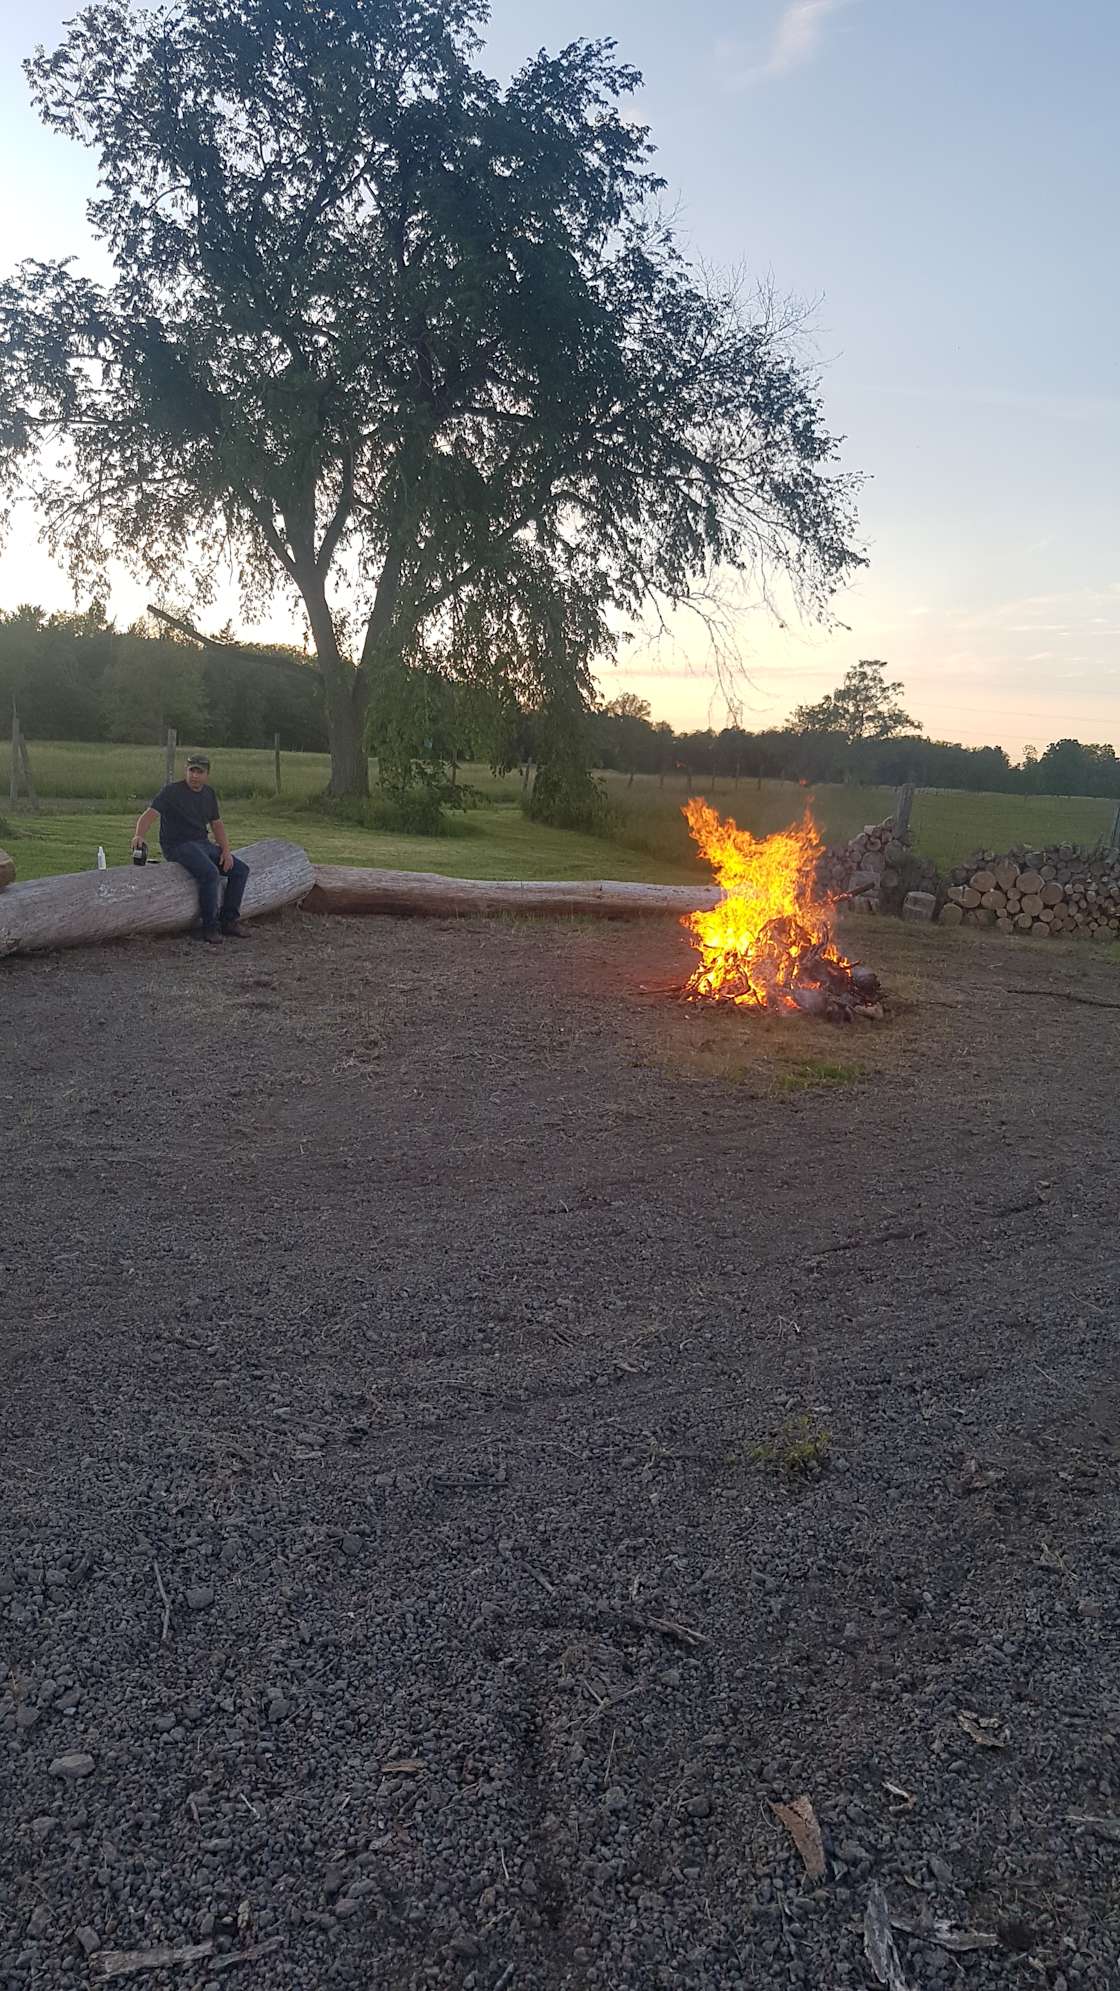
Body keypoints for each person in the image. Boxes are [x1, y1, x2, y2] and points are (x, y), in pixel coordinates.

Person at [132, 754, 250, 944]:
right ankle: (209, 927)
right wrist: (139, 835)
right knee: (210, 874)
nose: (194, 775)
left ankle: (229, 921)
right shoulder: (171, 792)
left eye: (199, 772)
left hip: (202, 843)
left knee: (240, 870)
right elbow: (149, 815)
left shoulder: (209, 794)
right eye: (191, 771)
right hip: (177, 845)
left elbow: (216, 824)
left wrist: (226, 851)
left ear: (207, 775)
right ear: (186, 771)